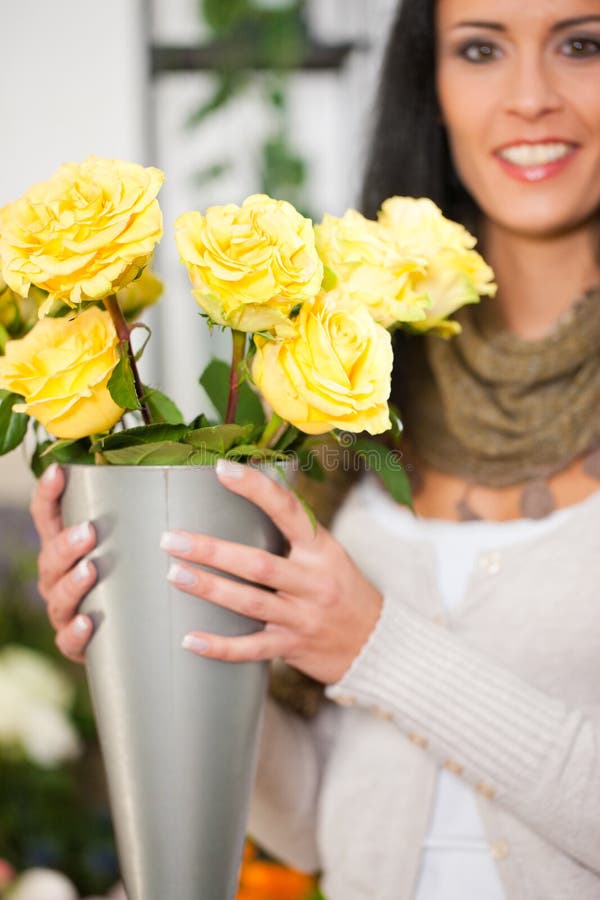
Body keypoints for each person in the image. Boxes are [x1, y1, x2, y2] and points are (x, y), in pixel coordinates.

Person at [30, 0, 600, 897]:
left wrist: (380, 647)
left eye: (582, 43)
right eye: (482, 47)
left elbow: (374, 654)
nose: (531, 96)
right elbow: (312, 825)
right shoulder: (353, 383)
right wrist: (149, 637)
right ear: (433, 82)